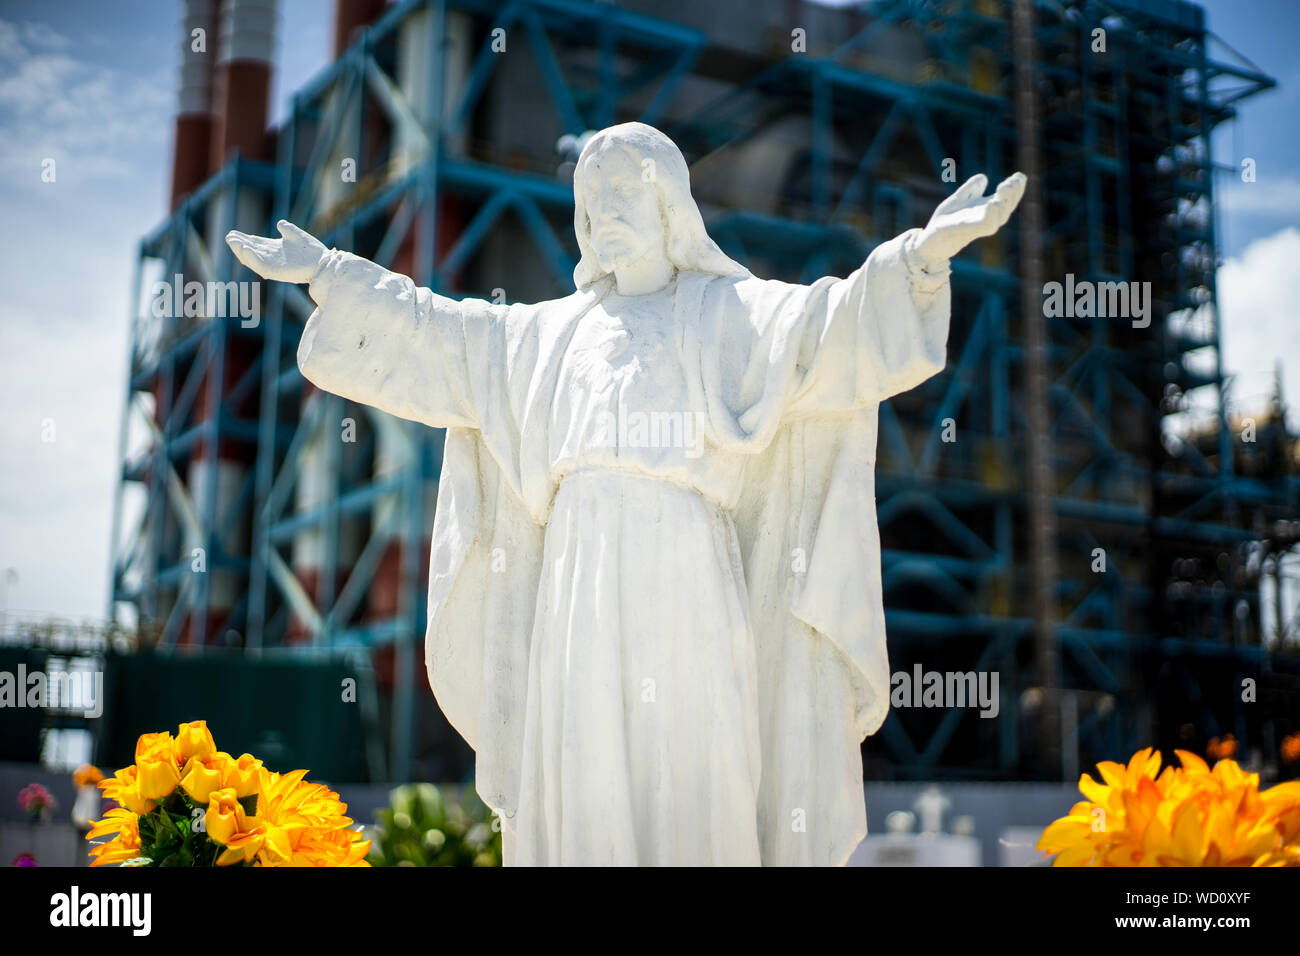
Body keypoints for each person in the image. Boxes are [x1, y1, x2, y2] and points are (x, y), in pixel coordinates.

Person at [228, 121, 1024, 865]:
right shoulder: (545, 335)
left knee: (694, 757)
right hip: (576, 587)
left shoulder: (729, 314)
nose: (603, 212)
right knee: (584, 764)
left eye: (622, 193)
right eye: (590, 197)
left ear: (668, 202)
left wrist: (919, 259)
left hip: (687, 576)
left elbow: (830, 327)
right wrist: (329, 272)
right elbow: (439, 335)